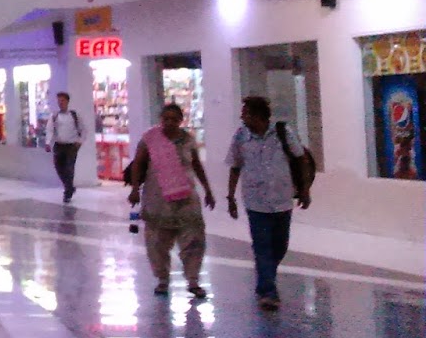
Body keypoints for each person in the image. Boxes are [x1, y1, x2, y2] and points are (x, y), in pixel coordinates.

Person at [225, 95, 313, 312]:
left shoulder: (282, 132)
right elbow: (235, 166)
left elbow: (300, 158)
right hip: (255, 202)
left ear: (257, 115)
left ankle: (266, 277)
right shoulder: (241, 137)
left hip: (282, 199)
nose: (241, 117)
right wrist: (230, 197)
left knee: (280, 246)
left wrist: (304, 189)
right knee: (262, 246)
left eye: (245, 113)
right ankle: (268, 292)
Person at [127, 103, 216, 301]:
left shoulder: (188, 140)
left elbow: (196, 165)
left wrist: (208, 190)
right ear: (160, 120)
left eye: (173, 119)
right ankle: (162, 279)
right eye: (165, 119)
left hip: (186, 199)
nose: (169, 123)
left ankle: (193, 280)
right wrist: (134, 189)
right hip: (157, 198)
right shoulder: (150, 139)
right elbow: (138, 164)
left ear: (180, 121)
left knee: (193, 239)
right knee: (158, 241)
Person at [47, 92, 84, 202]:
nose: (60, 103)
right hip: (59, 145)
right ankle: (70, 187)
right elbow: (50, 130)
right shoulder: (54, 116)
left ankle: (67, 192)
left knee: (69, 168)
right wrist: (48, 143)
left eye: (62, 100)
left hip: (71, 146)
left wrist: (79, 141)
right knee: (59, 167)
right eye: (59, 101)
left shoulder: (75, 115)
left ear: (67, 101)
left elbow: (83, 130)